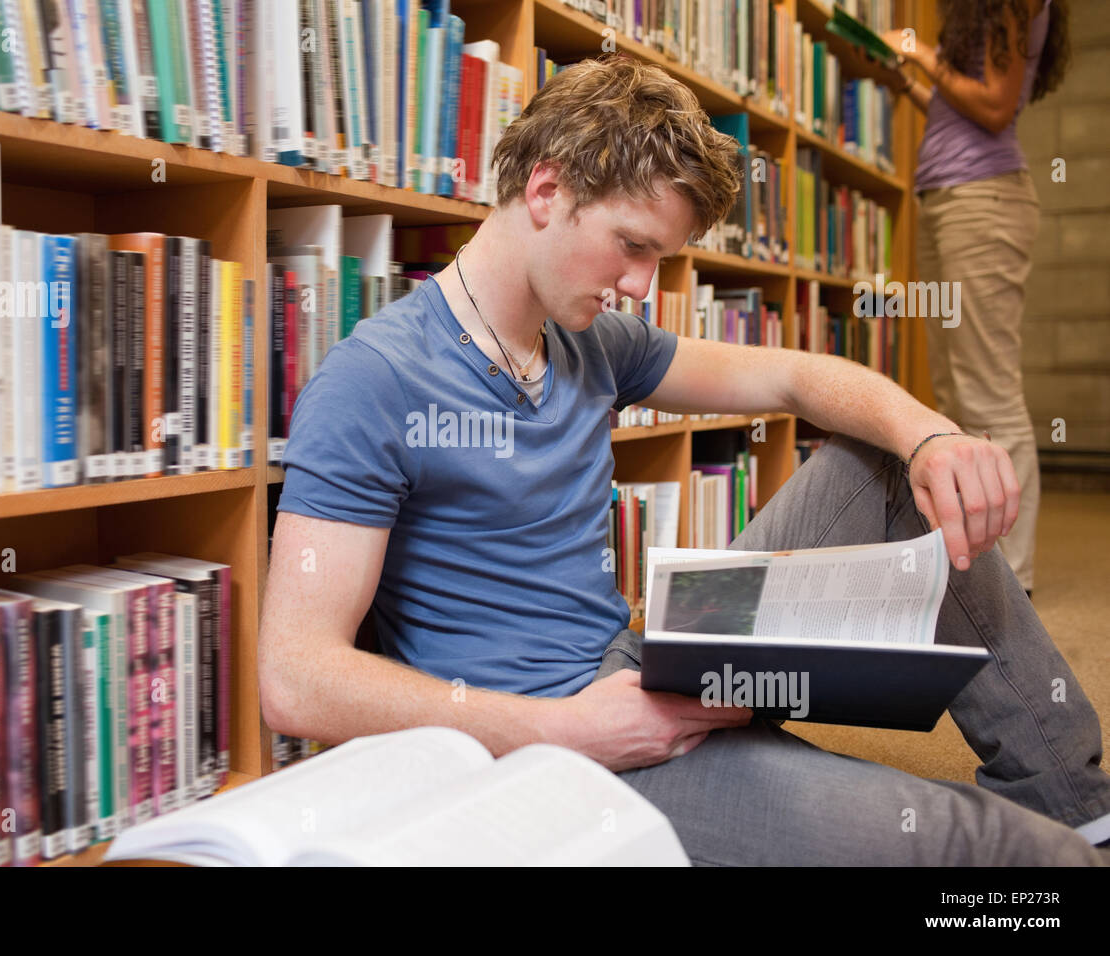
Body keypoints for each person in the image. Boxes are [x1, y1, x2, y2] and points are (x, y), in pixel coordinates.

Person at [258, 55, 1109, 864]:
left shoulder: (590, 338)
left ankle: (1082, 803)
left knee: (885, 460)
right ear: (546, 190)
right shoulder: (375, 378)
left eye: (659, 258)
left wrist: (932, 435)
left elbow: (795, 375)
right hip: (553, 750)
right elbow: (295, 677)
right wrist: (566, 731)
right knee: (981, 848)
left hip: (636, 665)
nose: (642, 284)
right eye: (633, 246)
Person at [880, 0, 1069, 596]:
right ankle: (980, 560)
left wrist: (924, 54)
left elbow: (993, 105)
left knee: (988, 390)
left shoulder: (1014, 4)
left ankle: (1015, 579)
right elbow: (960, 109)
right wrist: (907, 80)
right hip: (950, 201)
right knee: (958, 387)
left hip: (981, 203)